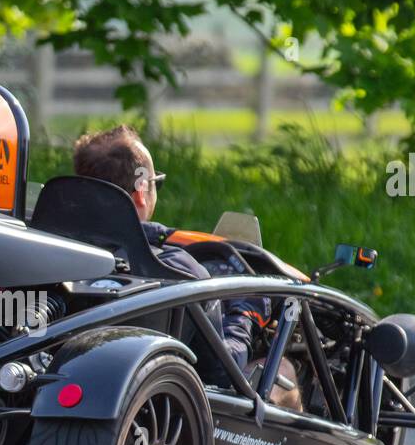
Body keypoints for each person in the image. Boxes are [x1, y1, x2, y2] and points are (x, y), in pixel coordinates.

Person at [72, 126, 300, 408]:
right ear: (142, 191)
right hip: (163, 410)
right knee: (283, 370)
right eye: (157, 182)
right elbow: (222, 372)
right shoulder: (177, 269)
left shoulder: (51, 253)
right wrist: (245, 313)